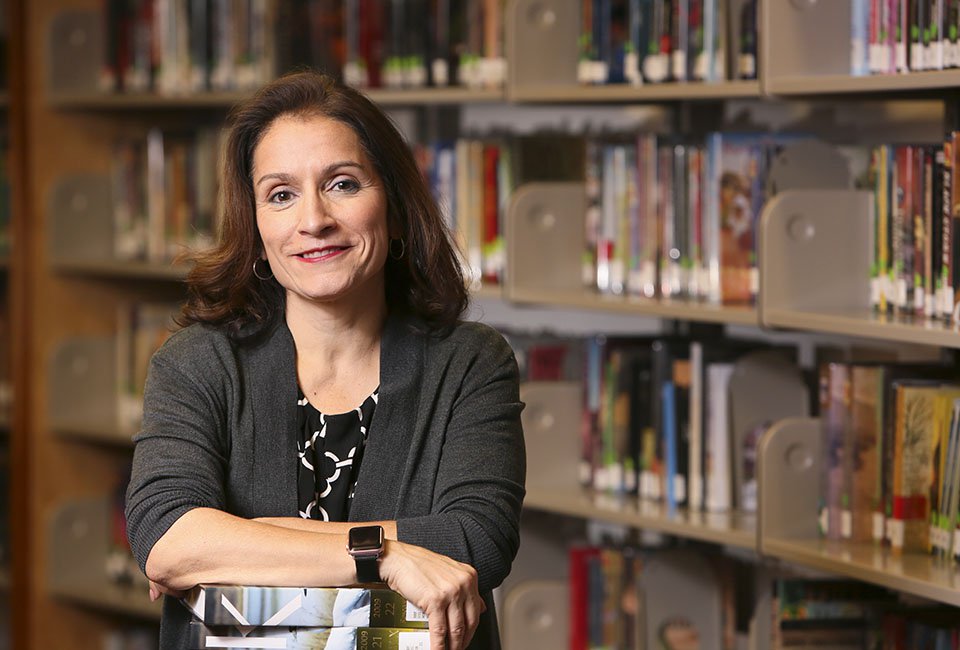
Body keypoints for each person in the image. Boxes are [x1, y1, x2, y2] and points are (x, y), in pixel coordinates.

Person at [124, 70, 526, 650]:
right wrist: (385, 555)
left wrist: (240, 539)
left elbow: (475, 540)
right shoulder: (198, 363)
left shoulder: (469, 363)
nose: (313, 220)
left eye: (343, 184)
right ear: (256, 225)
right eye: (281, 195)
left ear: (393, 206)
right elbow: (166, 538)